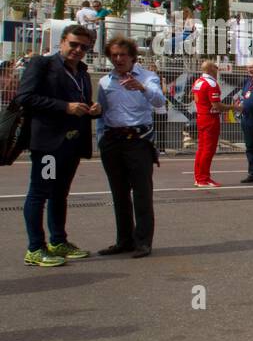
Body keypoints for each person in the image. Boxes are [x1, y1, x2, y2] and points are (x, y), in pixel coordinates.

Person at [16, 25, 101, 267]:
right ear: (62, 42)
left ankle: (58, 240)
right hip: (49, 145)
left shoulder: (83, 72)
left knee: (60, 193)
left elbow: (81, 104)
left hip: (71, 144)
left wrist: (93, 109)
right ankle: (35, 247)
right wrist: (65, 106)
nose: (77, 50)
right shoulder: (42, 65)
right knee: (40, 192)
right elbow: (25, 97)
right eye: (73, 44)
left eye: (83, 47)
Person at [95, 37, 165, 258]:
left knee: (142, 193)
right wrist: (100, 138)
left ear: (133, 56)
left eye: (123, 55)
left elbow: (159, 101)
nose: (118, 59)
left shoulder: (148, 77)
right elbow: (101, 112)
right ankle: (124, 240)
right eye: (114, 55)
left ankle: (143, 241)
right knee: (119, 193)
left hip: (138, 141)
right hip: (112, 141)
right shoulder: (105, 82)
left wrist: (142, 88)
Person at [192, 60, 225, 187]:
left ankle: (199, 177)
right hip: (210, 118)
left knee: (201, 148)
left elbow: (194, 96)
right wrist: (235, 108)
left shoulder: (198, 81)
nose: (217, 69)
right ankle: (203, 178)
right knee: (208, 149)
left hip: (201, 116)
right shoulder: (211, 83)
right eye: (215, 67)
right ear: (211, 69)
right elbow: (216, 105)